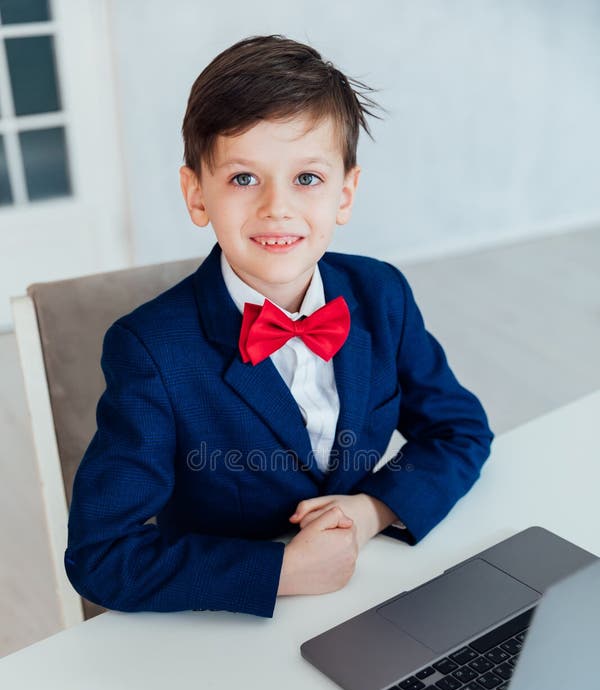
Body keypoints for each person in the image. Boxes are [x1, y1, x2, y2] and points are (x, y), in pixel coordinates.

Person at [64, 34, 494, 618]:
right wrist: (283, 570)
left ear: (345, 193)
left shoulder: (381, 294)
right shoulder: (151, 350)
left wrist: (372, 509)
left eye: (307, 179)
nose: (277, 208)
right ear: (197, 195)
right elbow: (102, 554)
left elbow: (459, 430)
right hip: (230, 618)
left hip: (372, 597)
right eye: (244, 178)